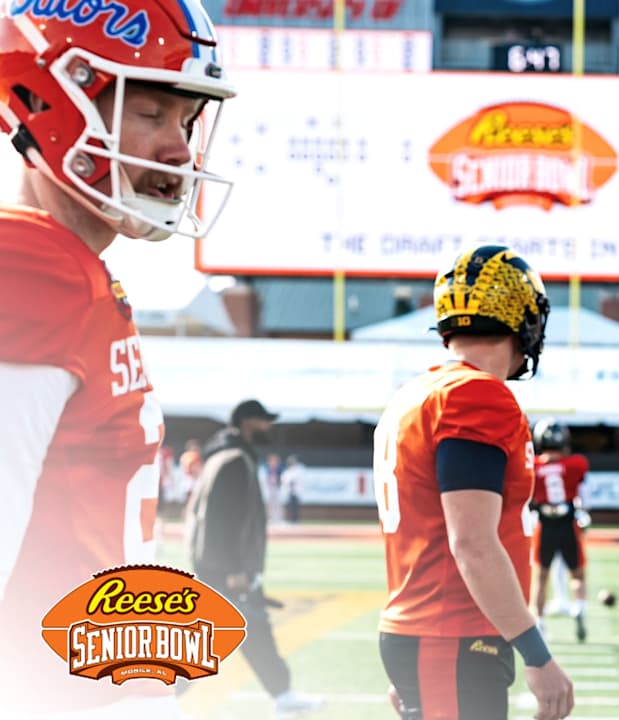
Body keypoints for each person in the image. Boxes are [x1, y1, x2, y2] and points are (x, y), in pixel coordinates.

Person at [0, 1, 236, 716]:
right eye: (150, 113)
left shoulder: (78, 271)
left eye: (185, 121)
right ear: (48, 101)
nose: (179, 149)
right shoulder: (35, 268)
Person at [374, 245, 574, 720]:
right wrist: (538, 655)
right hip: (452, 634)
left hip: (433, 635)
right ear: (523, 316)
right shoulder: (476, 394)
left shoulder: (418, 392)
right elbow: (473, 544)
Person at [186, 400, 324, 719]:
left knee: (252, 629)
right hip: (224, 570)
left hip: (218, 566)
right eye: (264, 422)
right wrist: (235, 569)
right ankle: (164, 694)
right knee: (209, 638)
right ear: (248, 422)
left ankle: (283, 693)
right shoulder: (234, 460)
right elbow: (223, 519)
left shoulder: (226, 456)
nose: (269, 428)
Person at [529, 418, 592, 642]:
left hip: (545, 522)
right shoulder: (576, 464)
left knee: (540, 576)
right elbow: (584, 498)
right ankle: (579, 608)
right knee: (577, 574)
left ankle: (539, 622)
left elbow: (527, 495)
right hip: (567, 521)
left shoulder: (534, 466)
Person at [282, 454, 305, 524]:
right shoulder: (288, 470)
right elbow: (285, 479)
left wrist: (293, 482)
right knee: (290, 506)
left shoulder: (299, 469)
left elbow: (298, 478)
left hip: (296, 491)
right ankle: (291, 519)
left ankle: (296, 520)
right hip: (289, 491)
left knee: (296, 506)